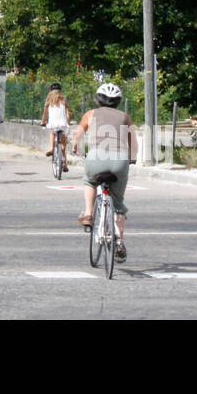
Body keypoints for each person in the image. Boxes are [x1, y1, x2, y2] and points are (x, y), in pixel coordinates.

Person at [69, 82, 138, 263]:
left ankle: (88, 213)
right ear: (118, 101)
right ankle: (120, 241)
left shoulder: (90, 114)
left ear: (98, 100)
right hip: (119, 161)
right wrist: (132, 158)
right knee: (118, 204)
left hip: (96, 158)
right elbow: (133, 142)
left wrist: (76, 150)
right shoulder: (125, 116)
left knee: (90, 181)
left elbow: (78, 136)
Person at [44, 82, 70, 172]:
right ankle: (65, 164)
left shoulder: (49, 101)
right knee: (63, 145)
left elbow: (45, 114)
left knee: (52, 132)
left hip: (53, 124)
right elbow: (68, 113)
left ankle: (51, 148)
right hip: (63, 124)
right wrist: (68, 123)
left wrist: (43, 122)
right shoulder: (64, 99)